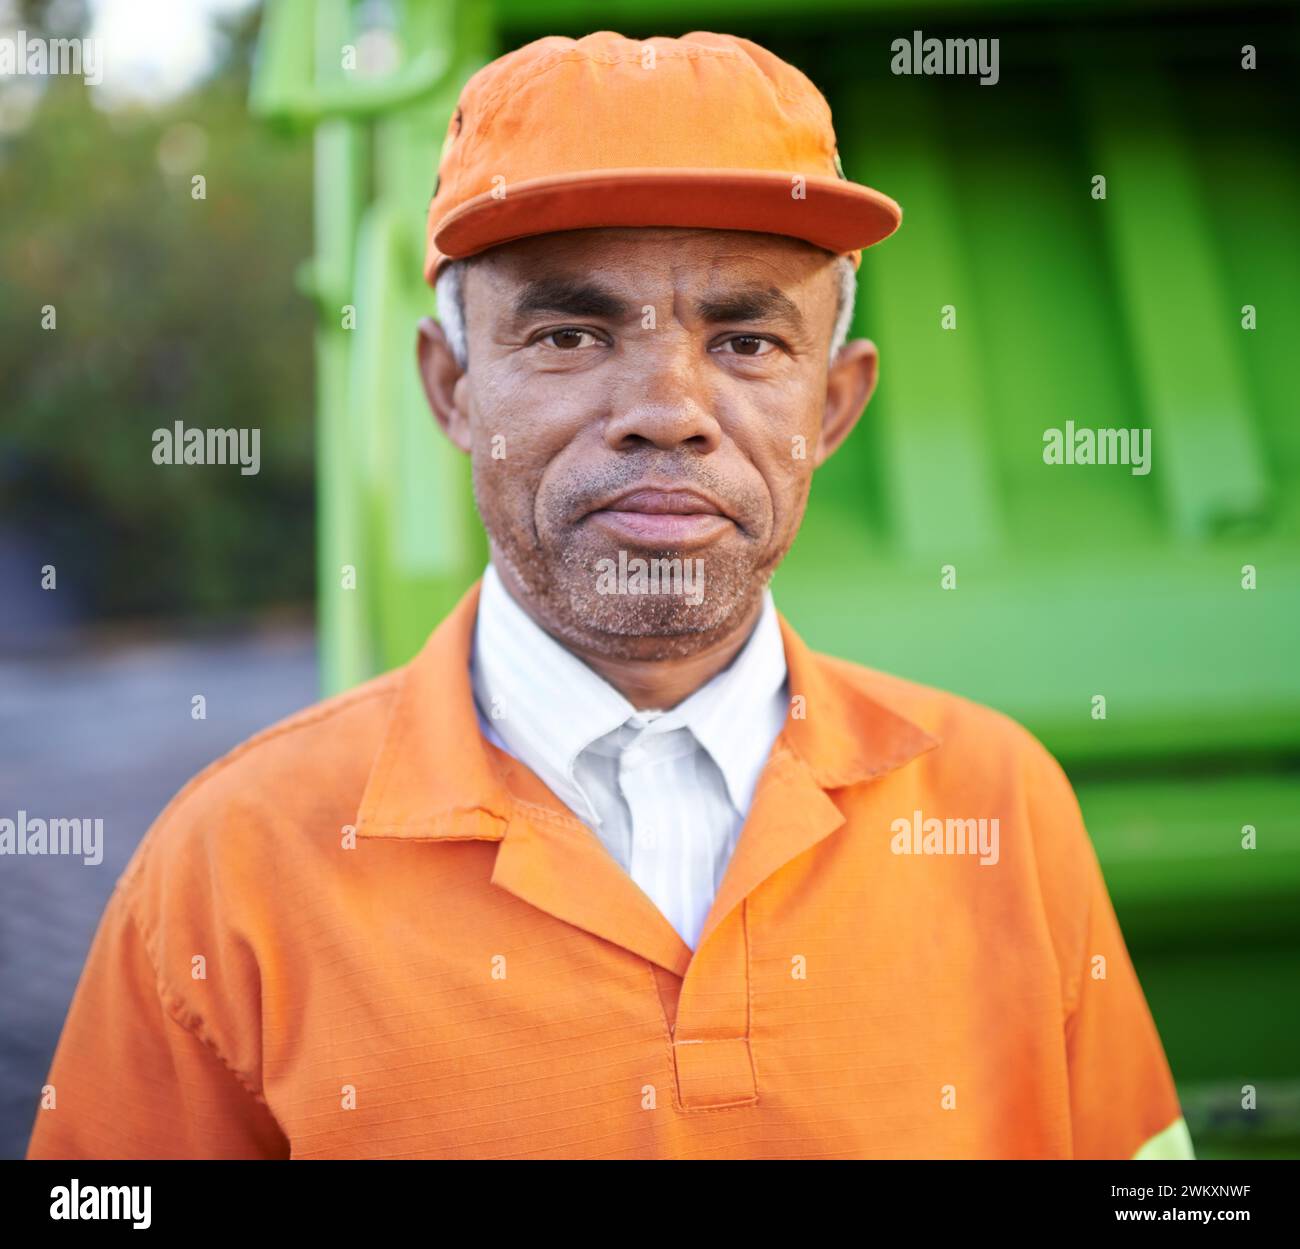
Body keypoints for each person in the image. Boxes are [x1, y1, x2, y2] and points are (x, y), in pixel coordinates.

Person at [27, 29, 1193, 1160]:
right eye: (570, 333)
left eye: (744, 341)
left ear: (831, 408)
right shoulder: (232, 864)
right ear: (452, 389)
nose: (666, 406)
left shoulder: (1001, 806)